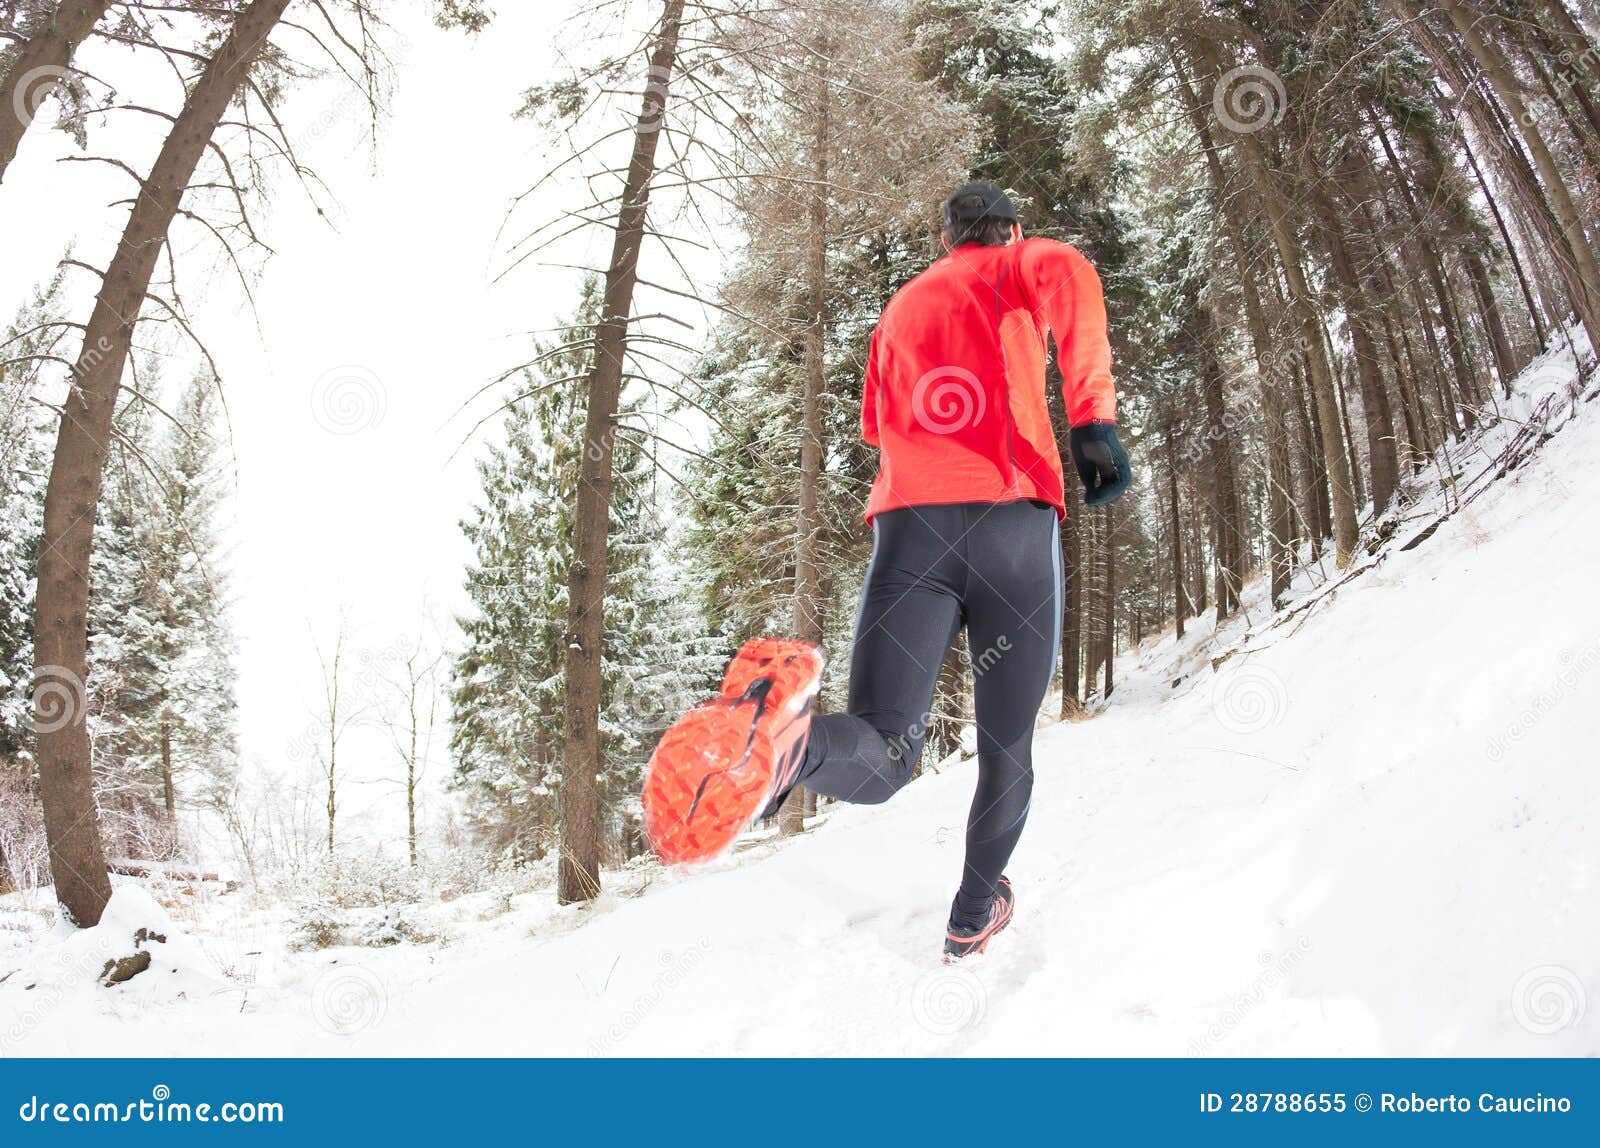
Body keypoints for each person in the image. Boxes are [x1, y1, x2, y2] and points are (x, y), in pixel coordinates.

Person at [642, 180, 1130, 962]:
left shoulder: (899, 308)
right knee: (1008, 750)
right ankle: (974, 912)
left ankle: (780, 752)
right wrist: (1093, 419)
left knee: (883, 746)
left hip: (911, 535)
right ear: (1010, 229)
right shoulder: (1016, 266)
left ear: (946, 238)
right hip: (1013, 528)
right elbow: (1067, 271)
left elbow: (877, 423)